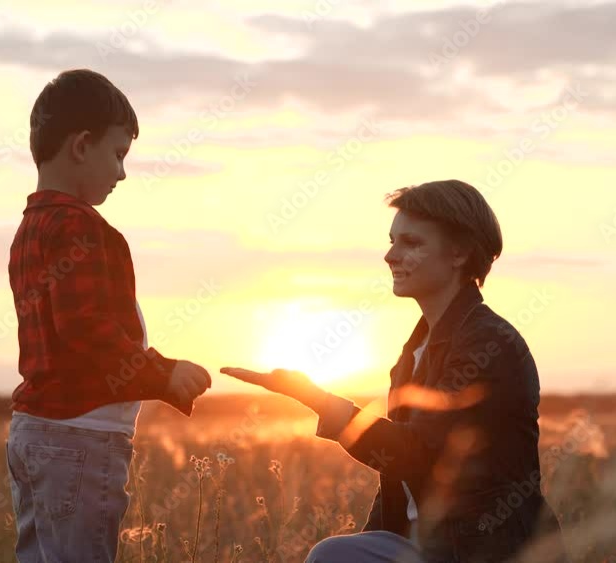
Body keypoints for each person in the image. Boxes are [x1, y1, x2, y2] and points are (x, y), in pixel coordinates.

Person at [223, 180, 568, 562]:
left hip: (483, 552)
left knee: (334, 557)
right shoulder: (413, 352)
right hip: (429, 548)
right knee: (339, 555)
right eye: (391, 241)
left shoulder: (489, 346)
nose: (390, 256)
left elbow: (419, 454)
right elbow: (400, 483)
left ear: (459, 253)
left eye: (411, 243)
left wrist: (318, 400)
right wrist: (371, 538)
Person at [5, 69, 212, 563]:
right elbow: (88, 331)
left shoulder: (31, 227)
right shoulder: (80, 227)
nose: (122, 173)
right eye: (118, 154)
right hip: (81, 436)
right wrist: (164, 373)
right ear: (81, 146)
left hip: (36, 430)